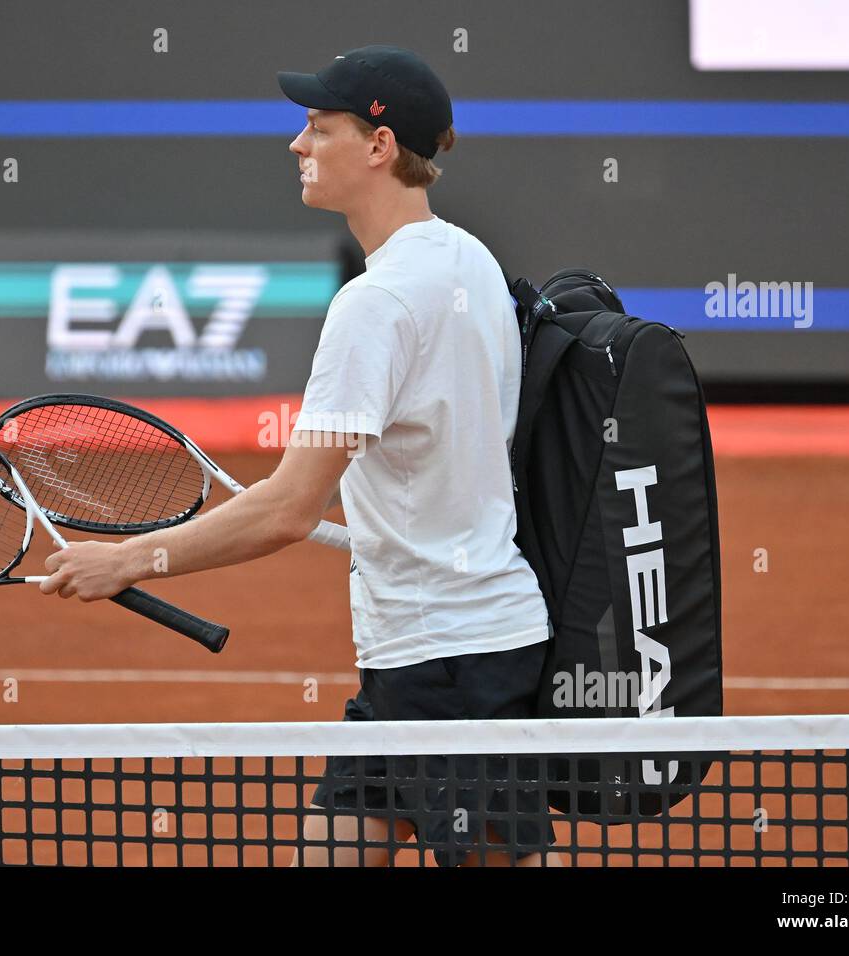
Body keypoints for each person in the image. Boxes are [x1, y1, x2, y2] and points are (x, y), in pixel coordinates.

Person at [40, 44, 555, 867]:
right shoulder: (468, 259)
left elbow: (287, 510)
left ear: (380, 148)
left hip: (449, 659)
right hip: (430, 650)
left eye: (319, 127)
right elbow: (439, 459)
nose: (298, 144)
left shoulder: (373, 303)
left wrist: (129, 560)